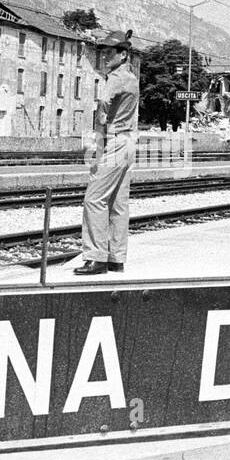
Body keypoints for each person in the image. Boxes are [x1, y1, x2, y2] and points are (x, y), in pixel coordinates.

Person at [75, 29, 139, 276]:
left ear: (123, 54)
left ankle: (96, 257)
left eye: (110, 52)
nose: (105, 57)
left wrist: (96, 141)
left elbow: (103, 106)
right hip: (128, 141)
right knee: (118, 203)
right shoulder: (132, 78)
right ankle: (116, 258)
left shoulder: (114, 78)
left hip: (112, 141)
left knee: (95, 199)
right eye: (103, 52)